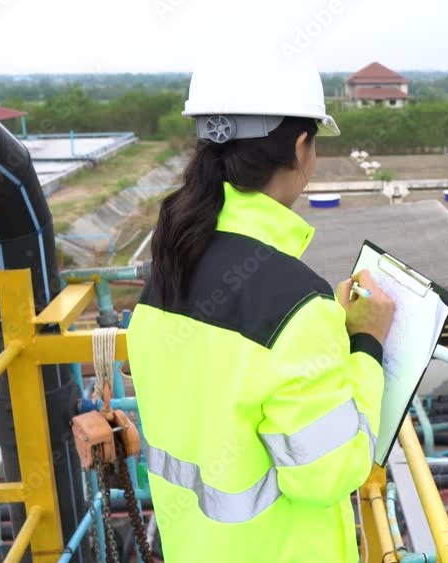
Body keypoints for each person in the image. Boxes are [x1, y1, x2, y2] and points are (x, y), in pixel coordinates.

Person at [126, 53, 395, 562]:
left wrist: (320, 336)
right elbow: (329, 474)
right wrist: (365, 344)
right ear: (301, 148)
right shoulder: (297, 306)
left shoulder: (170, 264)